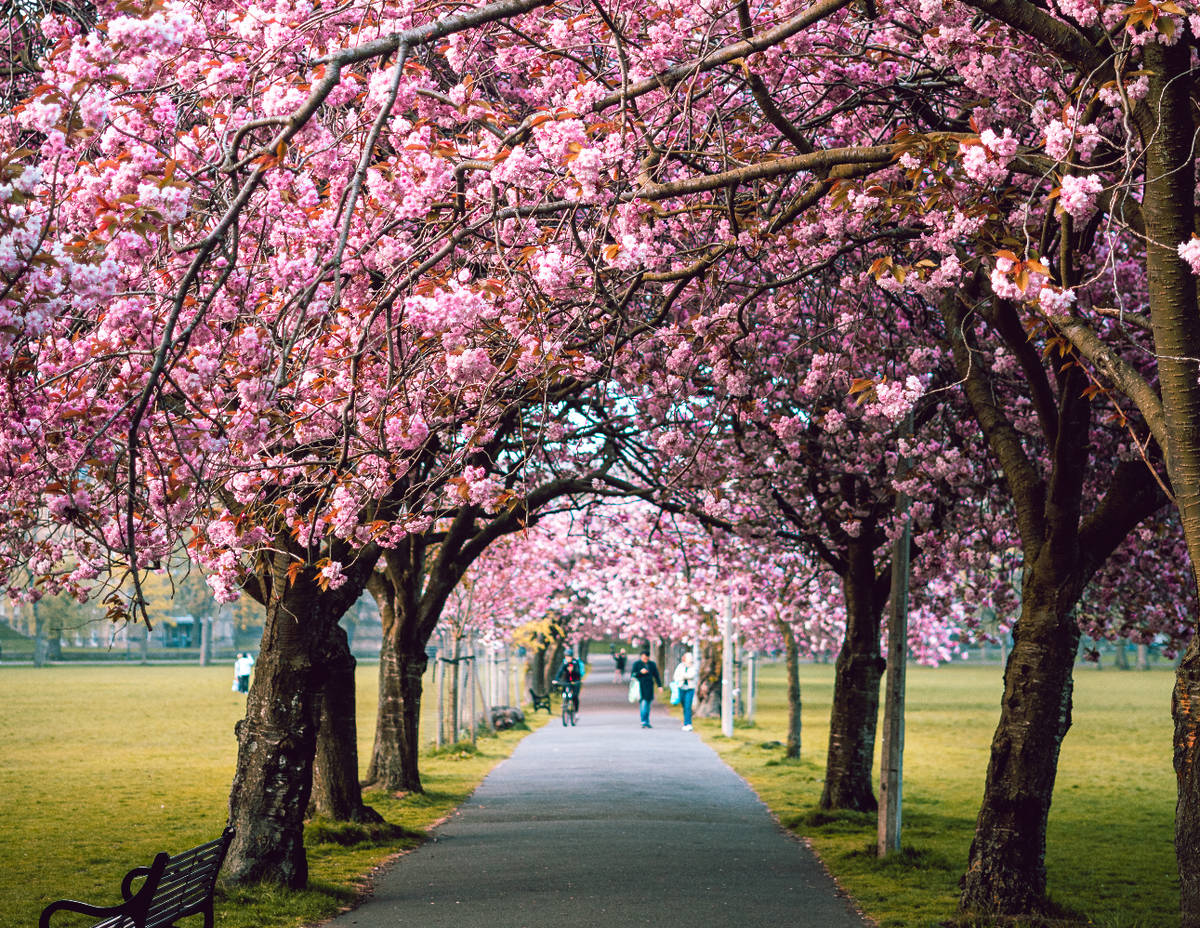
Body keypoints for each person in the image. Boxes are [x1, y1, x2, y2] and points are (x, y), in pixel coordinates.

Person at [630, 648, 662, 728]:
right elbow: (633, 675)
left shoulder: (652, 664)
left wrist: (659, 686)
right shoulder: (637, 664)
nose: (645, 659)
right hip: (640, 686)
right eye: (643, 657)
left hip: (649, 686)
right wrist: (640, 672)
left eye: (646, 657)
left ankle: (646, 720)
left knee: (648, 704)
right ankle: (644, 721)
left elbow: (656, 675)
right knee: (643, 703)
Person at [553, 647, 584, 714]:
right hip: (567, 681)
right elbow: (560, 671)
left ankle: (576, 712)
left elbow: (578, 673)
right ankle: (565, 703)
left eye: (569, 656)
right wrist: (556, 679)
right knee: (564, 691)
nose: (568, 658)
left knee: (575, 696)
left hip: (575, 681)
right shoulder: (564, 663)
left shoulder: (575, 662)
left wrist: (573, 670)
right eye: (566, 657)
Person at [672, 651, 698, 730]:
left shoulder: (693, 667)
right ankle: (686, 722)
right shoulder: (680, 666)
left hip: (690, 688)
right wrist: (683, 676)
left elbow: (691, 675)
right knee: (684, 705)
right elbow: (676, 676)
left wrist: (682, 676)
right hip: (681, 687)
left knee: (688, 705)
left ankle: (688, 723)